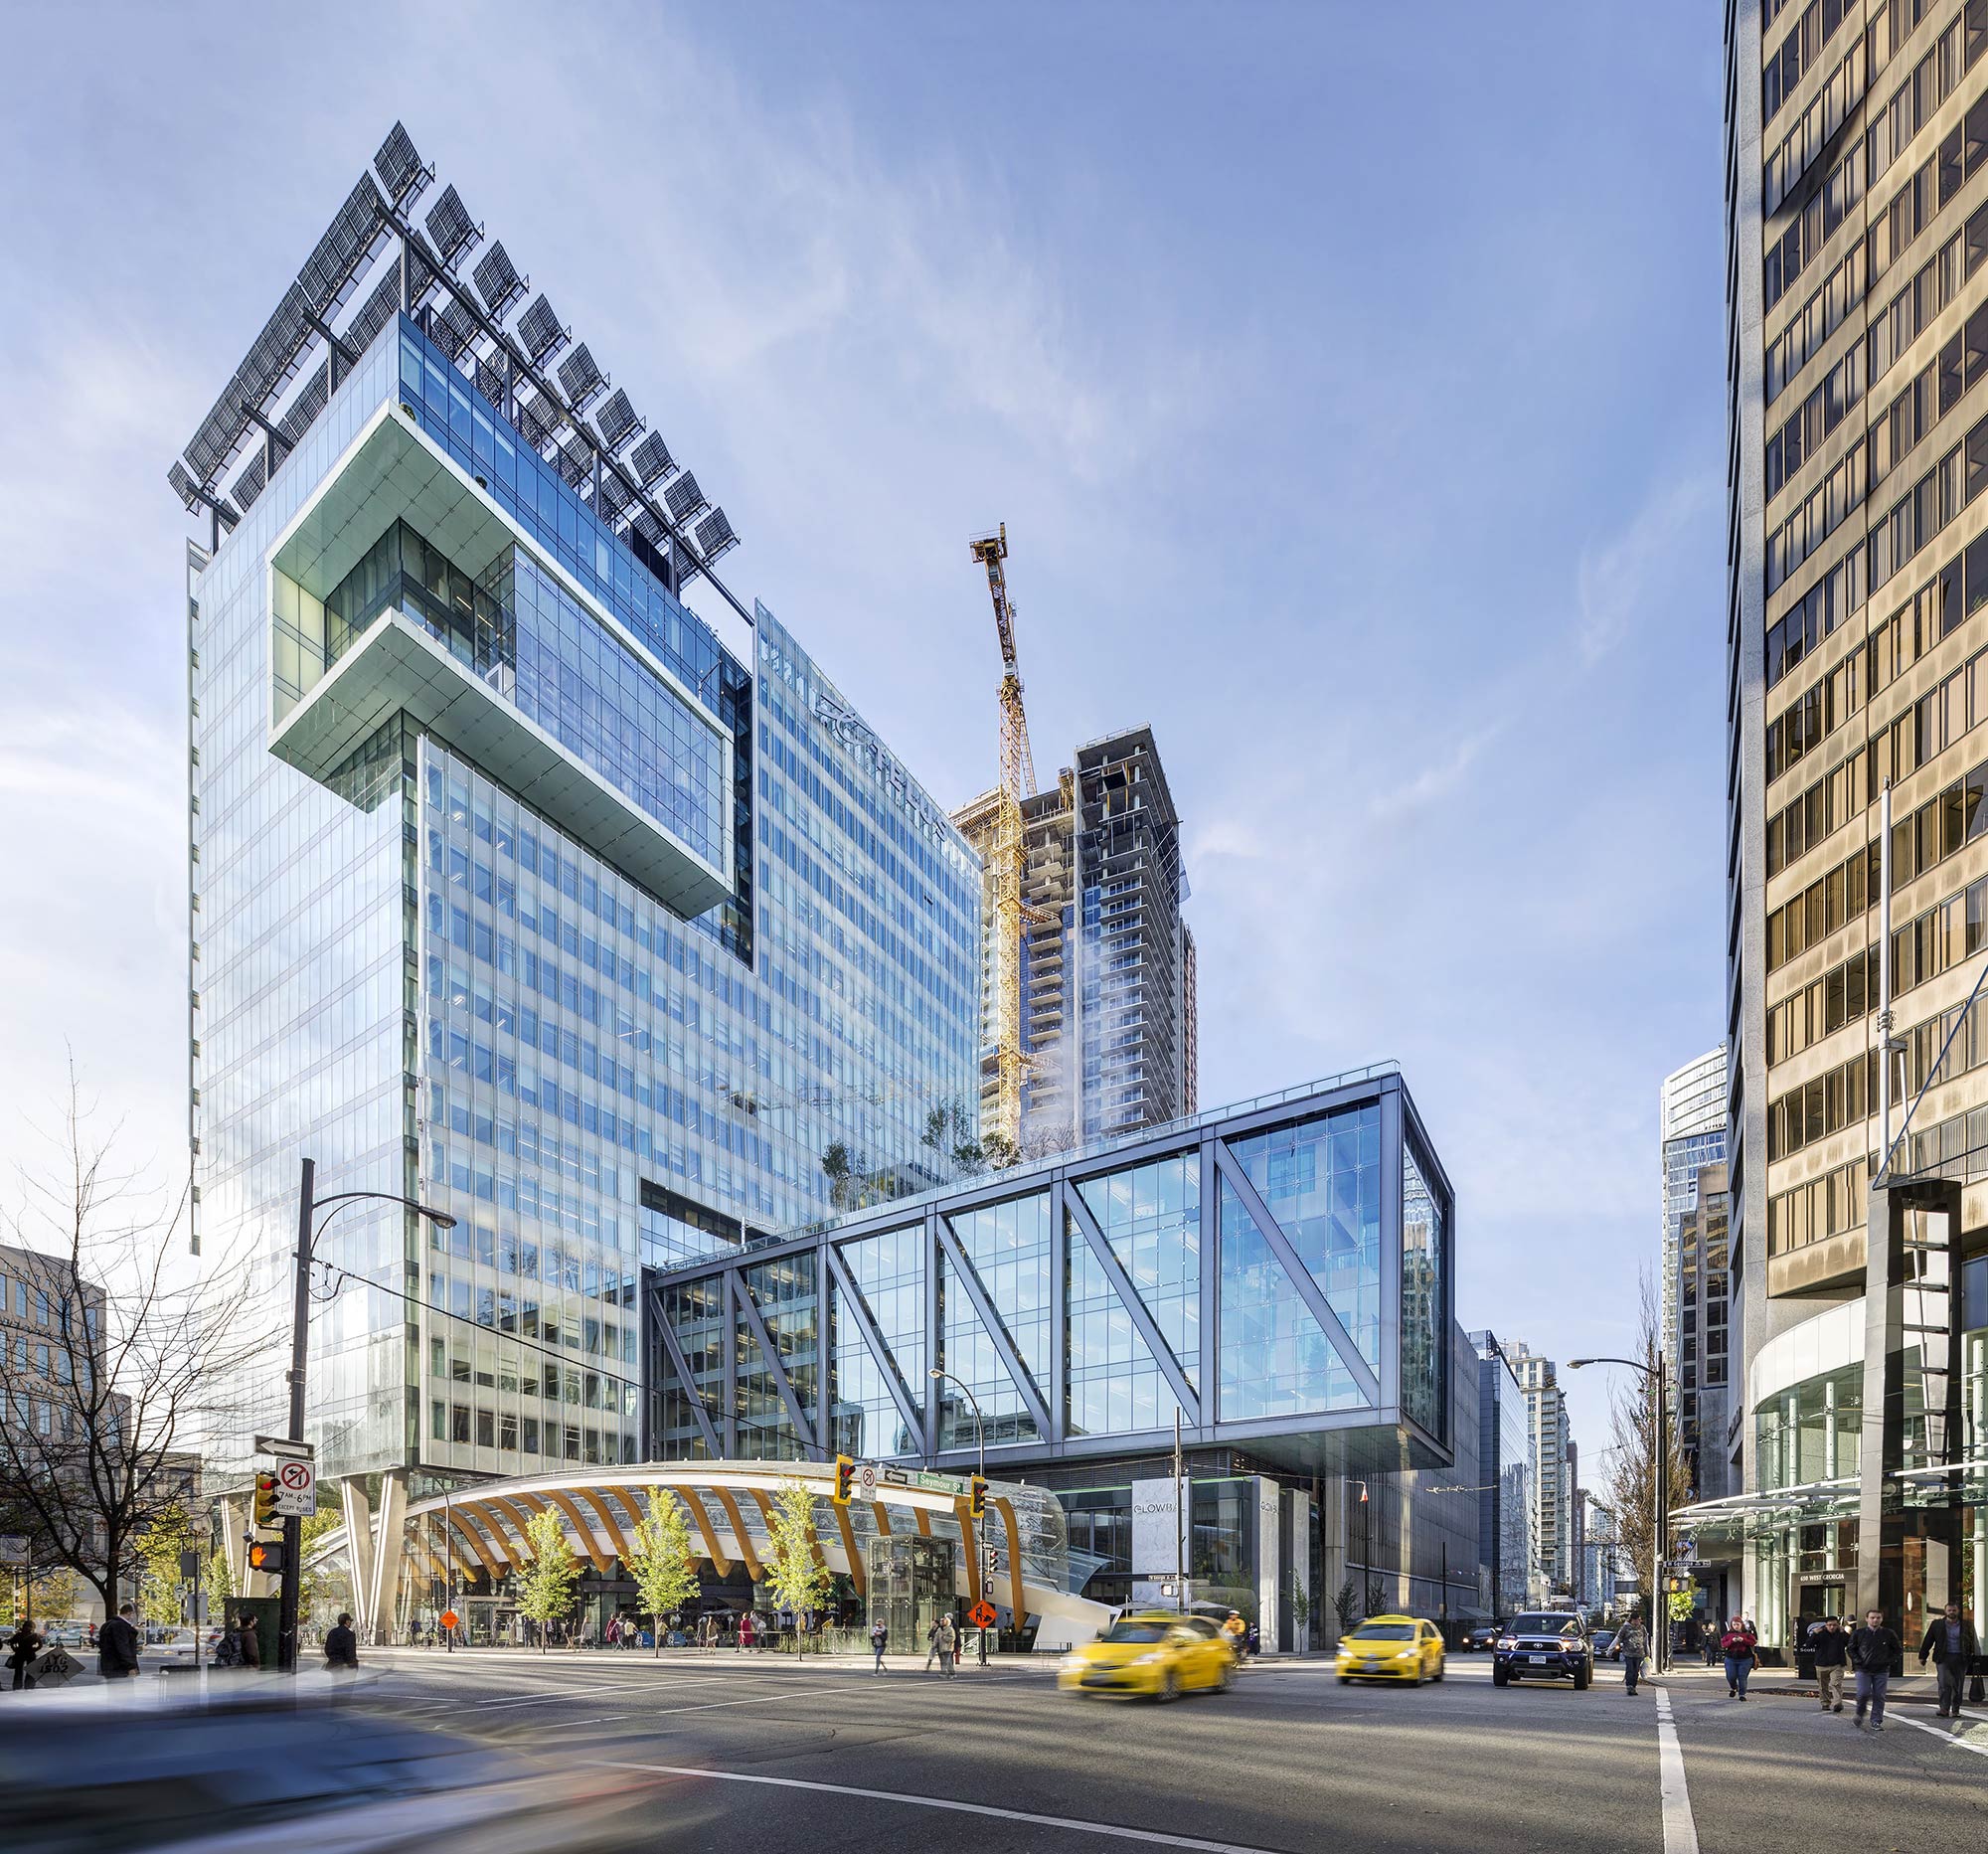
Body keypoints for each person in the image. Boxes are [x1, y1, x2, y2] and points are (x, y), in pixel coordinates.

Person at [1917, 1600, 1980, 1720]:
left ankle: (1955, 1709)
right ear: (1945, 1611)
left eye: (1954, 1610)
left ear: (1958, 1611)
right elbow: (1928, 1640)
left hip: (1961, 1658)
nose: (1952, 1612)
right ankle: (1944, 1709)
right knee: (1944, 1683)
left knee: (1958, 1685)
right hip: (1943, 1658)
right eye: (1949, 1610)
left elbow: (1974, 1641)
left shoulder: (1966, 1625)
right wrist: (1922, 1656)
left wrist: (1976, 1658)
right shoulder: (1937, 1624)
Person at [1850, 1606, 1901, 1731]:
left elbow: (1897, 1650)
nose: (1875, 1620)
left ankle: (1876, 1720)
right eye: (1872, 1618)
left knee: (1879, 1695)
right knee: (1863, 1693)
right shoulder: (1859, 1633)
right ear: (1867, 1619)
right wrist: (1858, 1661)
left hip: (1881, 1670)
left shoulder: (1888, 1634)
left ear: (1882, 1619)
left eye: (1878, 1618)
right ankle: (1860, 1713)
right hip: (1863, 1669)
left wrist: (1889, 1661)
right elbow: (1851, 1648)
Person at [1811, 1614, 1849, 1714]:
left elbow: (1849, 1643)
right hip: (1821, 1664)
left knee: (1835, 1684)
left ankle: (1837, 1703)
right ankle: (1825, 1703)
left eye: (1834, 1625)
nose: (1832, 1627)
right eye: (1830, 1625)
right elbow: (1809, 1644)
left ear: (1838, 1625)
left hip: (1837, 1664)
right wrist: (1814, 1634)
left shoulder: (1841, 1633)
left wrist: (1844, 1632)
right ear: (1826, 1625)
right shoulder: (1820, 1633)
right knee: (1823, 1686)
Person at [97, 1602, 141, 1680]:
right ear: (130, 1613)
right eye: (134, 1614)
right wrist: (131, 1666)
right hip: (120, 1668)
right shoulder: (121, 1626)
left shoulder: (107, 1624)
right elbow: (123, 1648)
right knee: (124, 1690)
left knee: (112, 1689)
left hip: (109, 1667)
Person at [1720, 1614, 1756, 1700]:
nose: (1736, 1626)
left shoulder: (1747, 1633)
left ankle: (1742, 1694)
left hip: (1745, 1658)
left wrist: (1743, 1640)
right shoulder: (1728, 1634)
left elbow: (1753, 1642)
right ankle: (1734, 1687)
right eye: (1734, 1625)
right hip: (1731, 1658)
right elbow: (1723, 1644)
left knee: (1742, 1676)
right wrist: (1731, 1641)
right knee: (1730, 1676)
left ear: (1741, 1624)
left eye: (1738, 1624)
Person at [1615, 1612, 1649, 1696]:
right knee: (1630, 1670)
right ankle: (1629, 1687)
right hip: (1628, 1653)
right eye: (1638, 1620)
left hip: (1639, 1654)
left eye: (1640, 1620)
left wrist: (1647, 1652)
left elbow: (1645, 1641)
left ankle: (1633, 1687)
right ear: (1633, 1620)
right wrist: (1610, 1650)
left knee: (1636, 1671)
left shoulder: (1642, 1628)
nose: (1639, 1621)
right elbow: (1618, 1639)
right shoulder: (1625, 1628)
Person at [7, 1619, 46, 1690]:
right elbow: (40, 1645)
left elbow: (12, 1643)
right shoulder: (34, 1635)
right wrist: (33, 1650)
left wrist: (15, 1649)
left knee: (18, 1671)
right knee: (30, 1671)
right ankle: (29, 1685)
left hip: (19, 1653)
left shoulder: (19, 1635)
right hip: (30, 1653)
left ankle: (17, 1686)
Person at [935, 1612, 957, 1679]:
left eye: (943, 1621)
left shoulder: (950, 1629)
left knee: (947, 1661)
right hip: (941, 1648)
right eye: (941, 1621)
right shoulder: (939, 1630)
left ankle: (948, 1673)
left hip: (948, 1648)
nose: (941, 1622)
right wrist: (934, 1645)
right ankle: (948, 1673)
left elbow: (952, 1638)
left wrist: (945, 1638)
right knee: (943, 1661)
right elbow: (936, 1638)